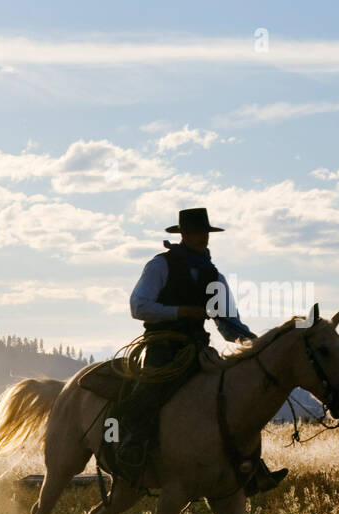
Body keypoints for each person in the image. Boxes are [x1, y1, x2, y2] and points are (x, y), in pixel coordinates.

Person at [114, 207, 287, 494]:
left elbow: (228, 325)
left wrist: (255, 343)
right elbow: (138, 306)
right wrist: (181, 311)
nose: (201, 238)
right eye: (196, 233)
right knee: (148, 392)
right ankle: (131, 447)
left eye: (204, 233)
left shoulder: (213, 276)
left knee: (233, 396)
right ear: (183, 235)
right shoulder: (160, 266)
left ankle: (253, 467)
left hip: (197, 348)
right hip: (160, 346)